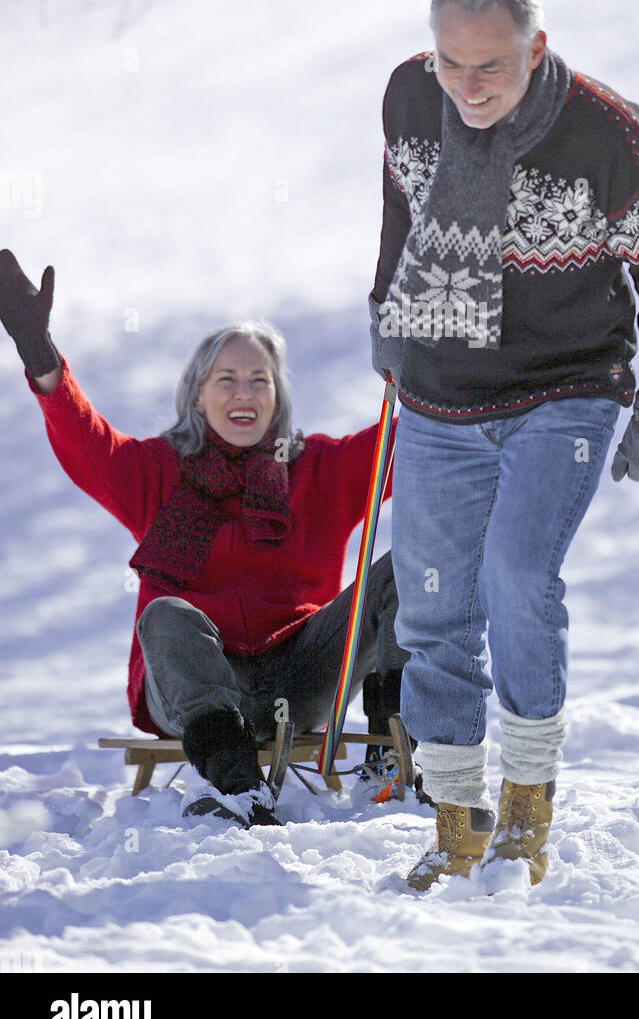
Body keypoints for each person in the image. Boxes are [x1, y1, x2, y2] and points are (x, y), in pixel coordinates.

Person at [369, 0, 639, 888]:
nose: (467, 89)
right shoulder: (407, 97)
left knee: (517, 574)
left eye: (492, 69)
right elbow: (401, 212)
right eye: (451, 64)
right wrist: (386, 319)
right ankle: (457, 821)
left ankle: (526, 808)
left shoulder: (605, 132)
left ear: (537, 49)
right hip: (441, 386)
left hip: (568, 385)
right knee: (434, 610)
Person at [0, 249, 406, 827]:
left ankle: (393, 753)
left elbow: (411, 436)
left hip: (304, 673)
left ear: (275, 397)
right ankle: (239, 788)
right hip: (195, 684)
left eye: (258, 381)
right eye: (227, 380)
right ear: (199, 395)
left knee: (408, 565)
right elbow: (85, 443)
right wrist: (39, 354)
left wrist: (435, 354)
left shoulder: (319, 466)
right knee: (165, 614)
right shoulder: (158, 470)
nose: (244, 393)